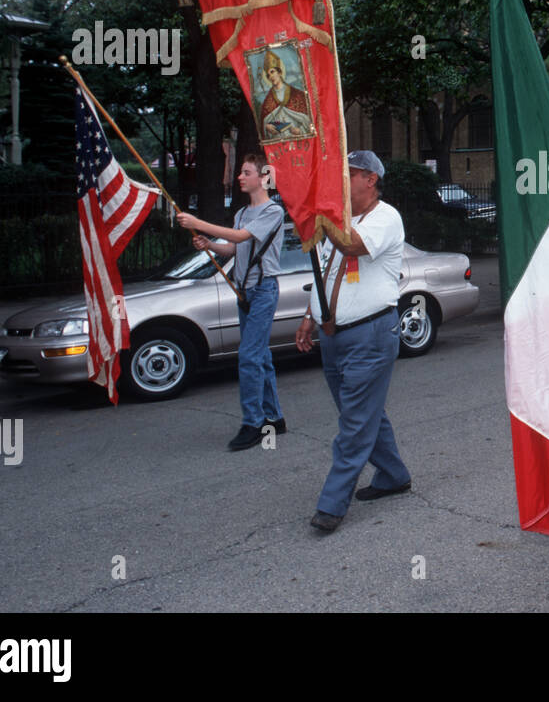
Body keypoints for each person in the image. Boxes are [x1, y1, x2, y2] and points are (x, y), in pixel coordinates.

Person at [299, 151, 412, 533]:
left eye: (349, 175)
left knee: (355, 420)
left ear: (370, 179)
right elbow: (325, 272)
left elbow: (352, 247)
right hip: (335, 336)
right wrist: (310, 315)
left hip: (371, 334)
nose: (341, 182)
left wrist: (319, 213)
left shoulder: (385, 217)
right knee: (364, 413)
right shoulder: (338, 220)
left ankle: (332, 504)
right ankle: (394, 474)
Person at [176, 154, 286, 451]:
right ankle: (274, 418)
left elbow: (241, 236)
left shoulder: (272, 212)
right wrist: (209, 245)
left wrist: (199, 222)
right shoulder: (240, 212)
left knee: (249, 356)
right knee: (260, 356)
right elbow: (233, 248)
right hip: (244, 292)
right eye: (240, 172)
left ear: (263, 177)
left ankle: (253, 423)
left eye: (246, 172)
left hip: (264, 291)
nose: (239, 177)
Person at [257, 51, 314, 140]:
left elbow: (308, 120)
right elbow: (264, 124)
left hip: (297, 141)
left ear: (279, 72)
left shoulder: (297, 94)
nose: (271, 76)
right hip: (278, 144)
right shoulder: (268, 100)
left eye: (272, 72)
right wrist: (267, 126)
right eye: (268, 75)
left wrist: (300, 130)